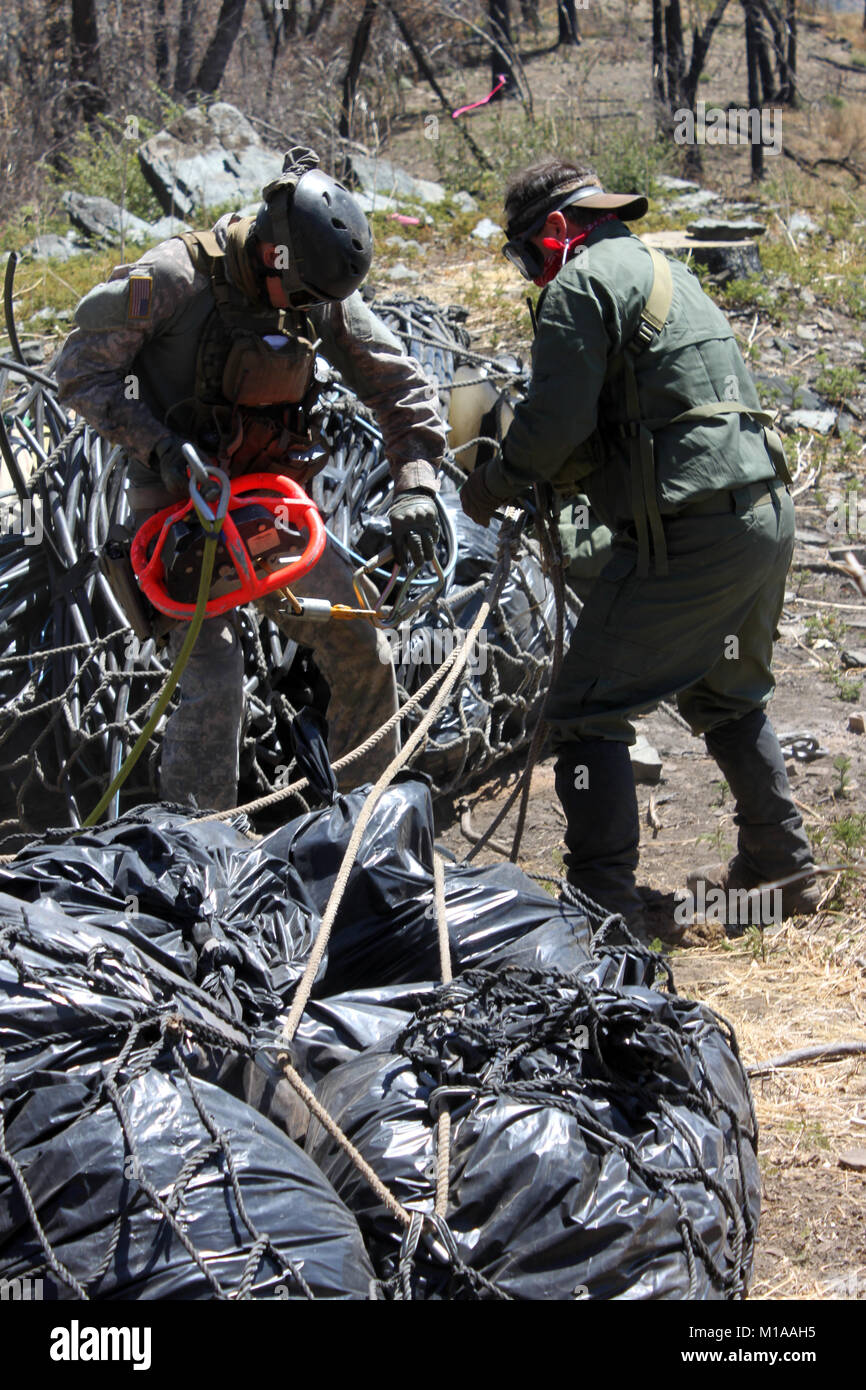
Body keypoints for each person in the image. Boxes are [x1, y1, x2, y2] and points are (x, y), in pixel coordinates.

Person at [460, 156, 819, 932]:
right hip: (763, 516)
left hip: (691, 529)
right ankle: (780, 870)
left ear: (556, 232)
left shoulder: (577, 286)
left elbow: (553, 429)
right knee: (725, 691)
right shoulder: (667, 271)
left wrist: (490, 484)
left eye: (527, 256)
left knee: (585, 710)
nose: (530, 275)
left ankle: (600, 909)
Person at [56, 147, 446, 811]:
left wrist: (416, 482)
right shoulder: (173, 279)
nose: (319, 313)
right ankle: (195, 856)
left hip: (269, 507)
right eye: (308, 300)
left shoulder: (315, 290)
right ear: (272, 255)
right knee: (216, 677)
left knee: (365, 646)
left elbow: (401, 388)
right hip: (175, 518)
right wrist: (162, 446)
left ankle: (366, 830)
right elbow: (77, 371)